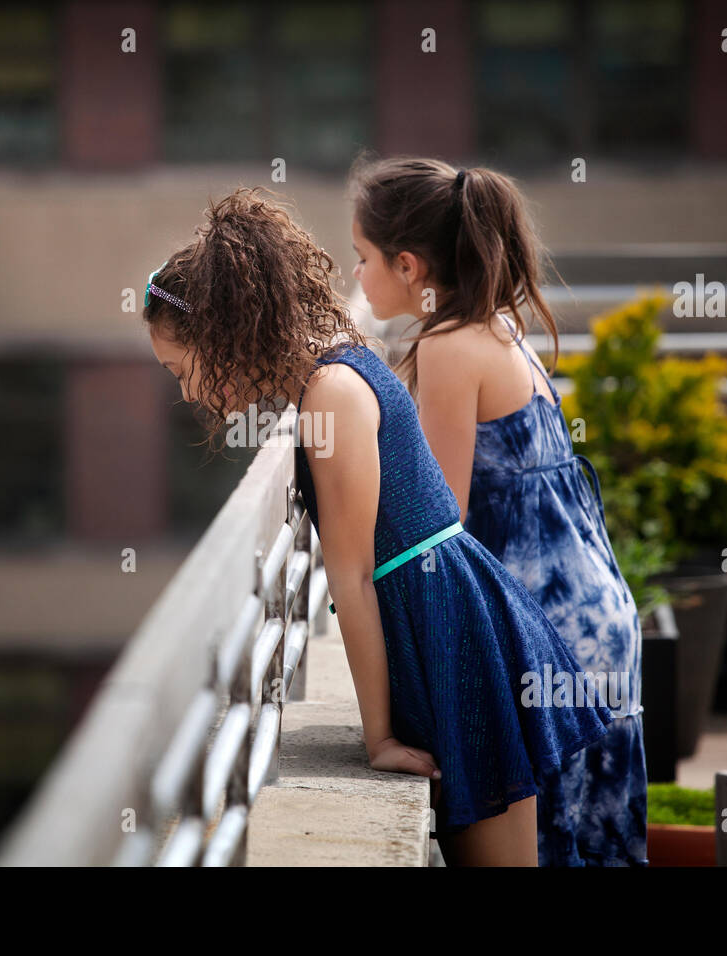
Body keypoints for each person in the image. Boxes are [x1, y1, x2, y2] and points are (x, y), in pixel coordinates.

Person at [143, 186, 614, 865]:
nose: (189, 393)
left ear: (224, 333)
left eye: (182, 370)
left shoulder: (331, 395)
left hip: (449, 633)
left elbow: (354, 575)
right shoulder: (332, 365)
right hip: (442, 617)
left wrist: (380, 739)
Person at [348, 155, 648, 866]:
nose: (355, 276)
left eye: (362, 258)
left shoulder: (450, 346)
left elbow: (439, 526)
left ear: (410, 266)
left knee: (557, 843)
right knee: (598, 839)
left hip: (548, 635)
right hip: (592, 616)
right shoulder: (497, 326)